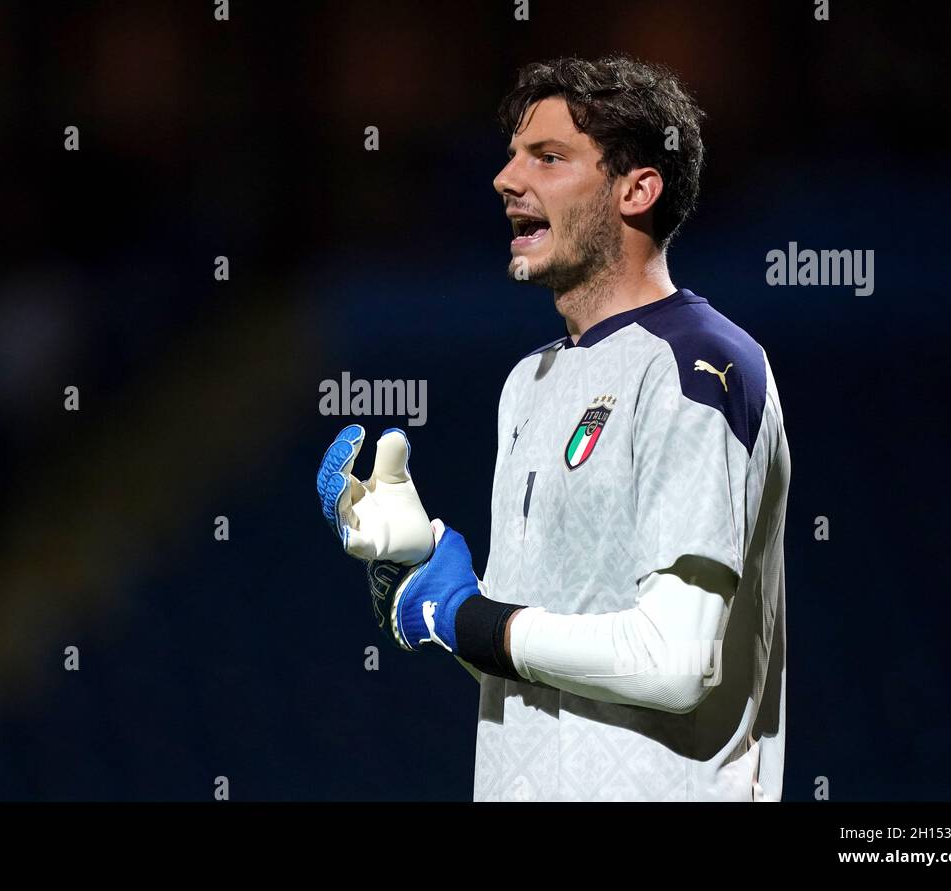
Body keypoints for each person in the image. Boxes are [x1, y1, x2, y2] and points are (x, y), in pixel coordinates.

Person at [318, 55, 790, 802]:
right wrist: (426, 569)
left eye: (548, 157)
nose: (506, 179)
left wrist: (465, 616)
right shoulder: (527, 382)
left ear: (637, 189)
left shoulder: (699, 364)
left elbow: (674, 659)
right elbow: (527, 653)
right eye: (511, 155)